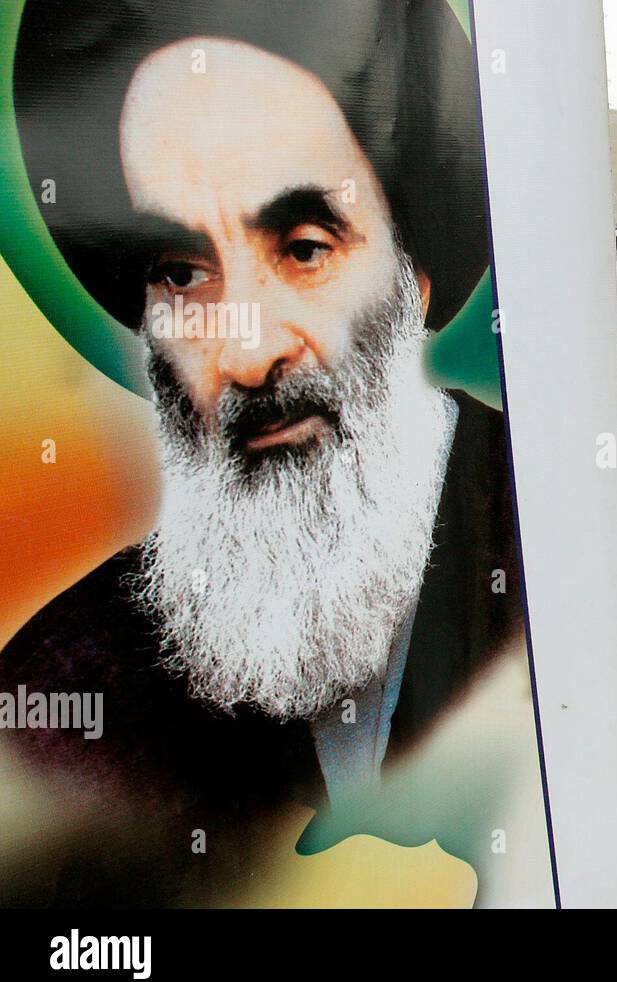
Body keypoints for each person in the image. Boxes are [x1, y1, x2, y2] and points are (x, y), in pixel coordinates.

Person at [0, 0, 539, 905]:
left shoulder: (550, 546)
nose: (246, 352)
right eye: (180, 273)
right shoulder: (57, 700)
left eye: (302, 247)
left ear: (415, 273)